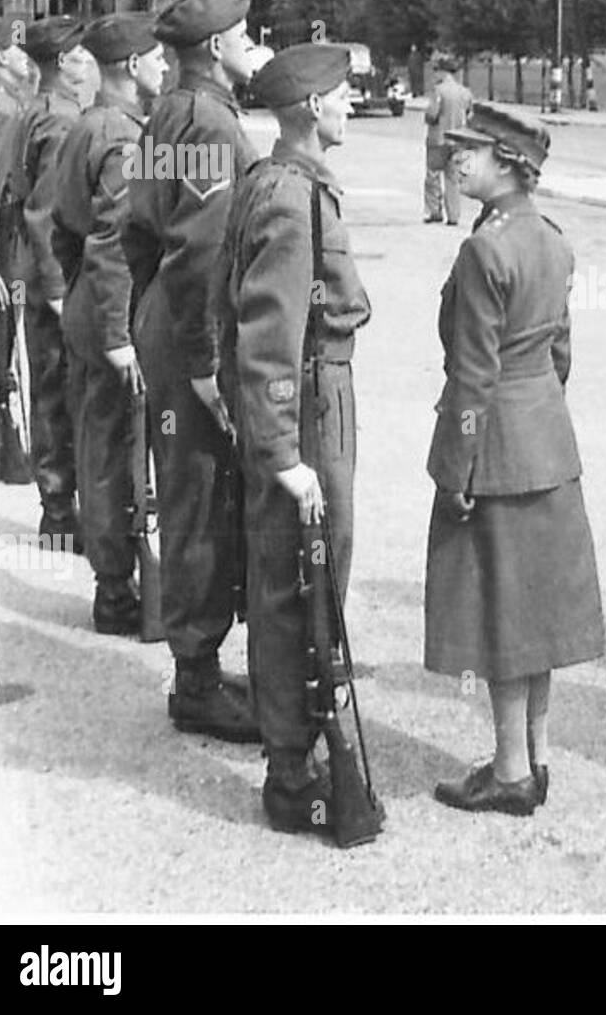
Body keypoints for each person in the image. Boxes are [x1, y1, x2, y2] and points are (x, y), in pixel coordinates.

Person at [425, 102, 605, 816]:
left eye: (470, 150)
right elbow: (560, 352)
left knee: (501, 611)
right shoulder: (551, 240)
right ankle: (537, 755)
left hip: (496, 448)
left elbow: (473, 374)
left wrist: (457, 466)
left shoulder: (484, 250)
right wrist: (536, 416)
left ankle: (508, 773)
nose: (455, 159)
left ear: (508, 164)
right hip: (546, 442)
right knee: (536, 608)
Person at [213, 43, 374, 836]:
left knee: (303, 579)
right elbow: (267, 337)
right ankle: (290, 772)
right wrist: (282, 455)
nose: (351, 104)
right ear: (312, 108)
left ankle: (297, 751)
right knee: (294, 585)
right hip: (308, 405)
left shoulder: (279, 182)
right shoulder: (289, 198)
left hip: (311, 397)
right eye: (342, 94)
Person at [122, 0, 263, 740]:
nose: (250, 45)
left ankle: (197, 665)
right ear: (214, 46)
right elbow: (201, 252)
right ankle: (197, 681)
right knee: (199, 500)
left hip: (167, 322)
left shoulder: (171, 111)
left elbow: (138, 231)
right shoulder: (206, 120)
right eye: (242, 35)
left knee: (191, 494)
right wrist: (204, 362)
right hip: (191, 334)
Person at [51, 13, 168, 634]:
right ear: (130, 65)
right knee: (114, 457)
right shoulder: (125, 140)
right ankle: (117, 592)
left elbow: (61, 229)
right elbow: (113, 246)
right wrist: (119, 336)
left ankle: (115, 586)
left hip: (88, 306)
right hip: (113, 319)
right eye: (156, 57)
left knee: (100, 447)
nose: (164, 65)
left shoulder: (88, 124)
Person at [15, 15, 95, 546]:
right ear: (63, 63)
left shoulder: (35, 111)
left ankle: (59, 510)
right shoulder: (62, 122)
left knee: (52, 390)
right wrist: (61, 292)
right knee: (58, 393)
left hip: (38, 275)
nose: (87, 64)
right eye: (81, 56)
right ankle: (61, 515)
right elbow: (43, 213)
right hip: (55, 279)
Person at [0, 16, 34, 484]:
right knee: (1, 344)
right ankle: (4, 447)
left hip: (7, 234)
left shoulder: (10, 102)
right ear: (3, 56)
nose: (27, 58)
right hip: (1, 237)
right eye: (20, 49)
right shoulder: (1, 109)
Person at [423, 57, 472, 225]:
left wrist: (428, 118)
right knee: (453, 178)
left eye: (436, 71)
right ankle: (454, 215)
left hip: (439, 139)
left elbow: (432, 115)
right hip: (459, 141)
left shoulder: (439, 91)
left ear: (442, 72)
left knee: (433, 176)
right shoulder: (465, 92)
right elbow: (470, 115)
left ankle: (434, 211)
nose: (435, 74)